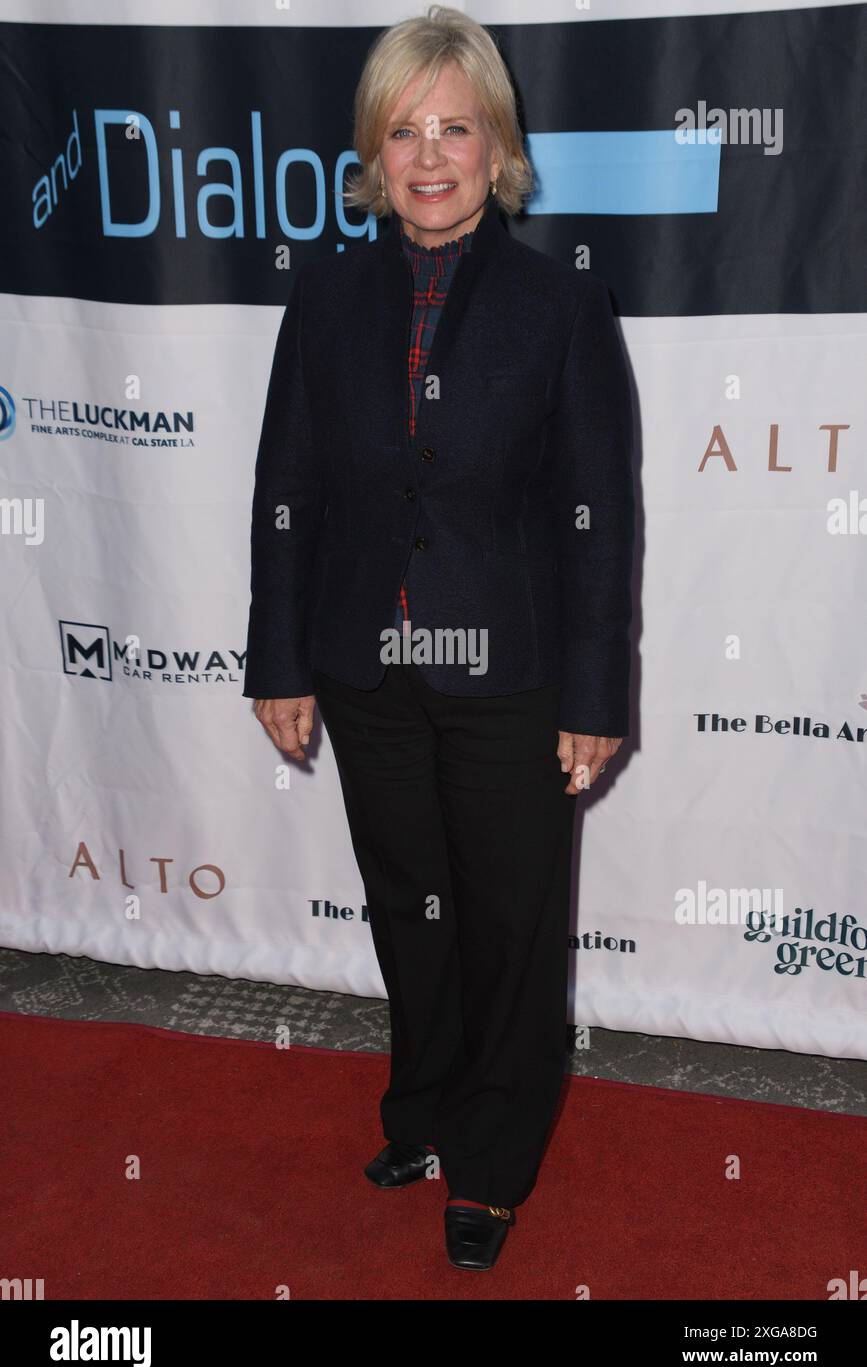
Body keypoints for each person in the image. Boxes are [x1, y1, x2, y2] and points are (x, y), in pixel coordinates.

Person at [243, 4, 635, 1272]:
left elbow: (599, 515)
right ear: (373, 148)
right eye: (405, 129)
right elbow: (286, 480)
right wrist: (281, 658)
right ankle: (421, 1113)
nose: (429, 154)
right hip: (368, 669)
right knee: (412, 912)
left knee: (511, 922)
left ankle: (492, 1162)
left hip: (509, 677)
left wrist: (593, 690)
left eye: (455, 127)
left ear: (496, 145)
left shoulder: (556, 301)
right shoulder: (328, 291)